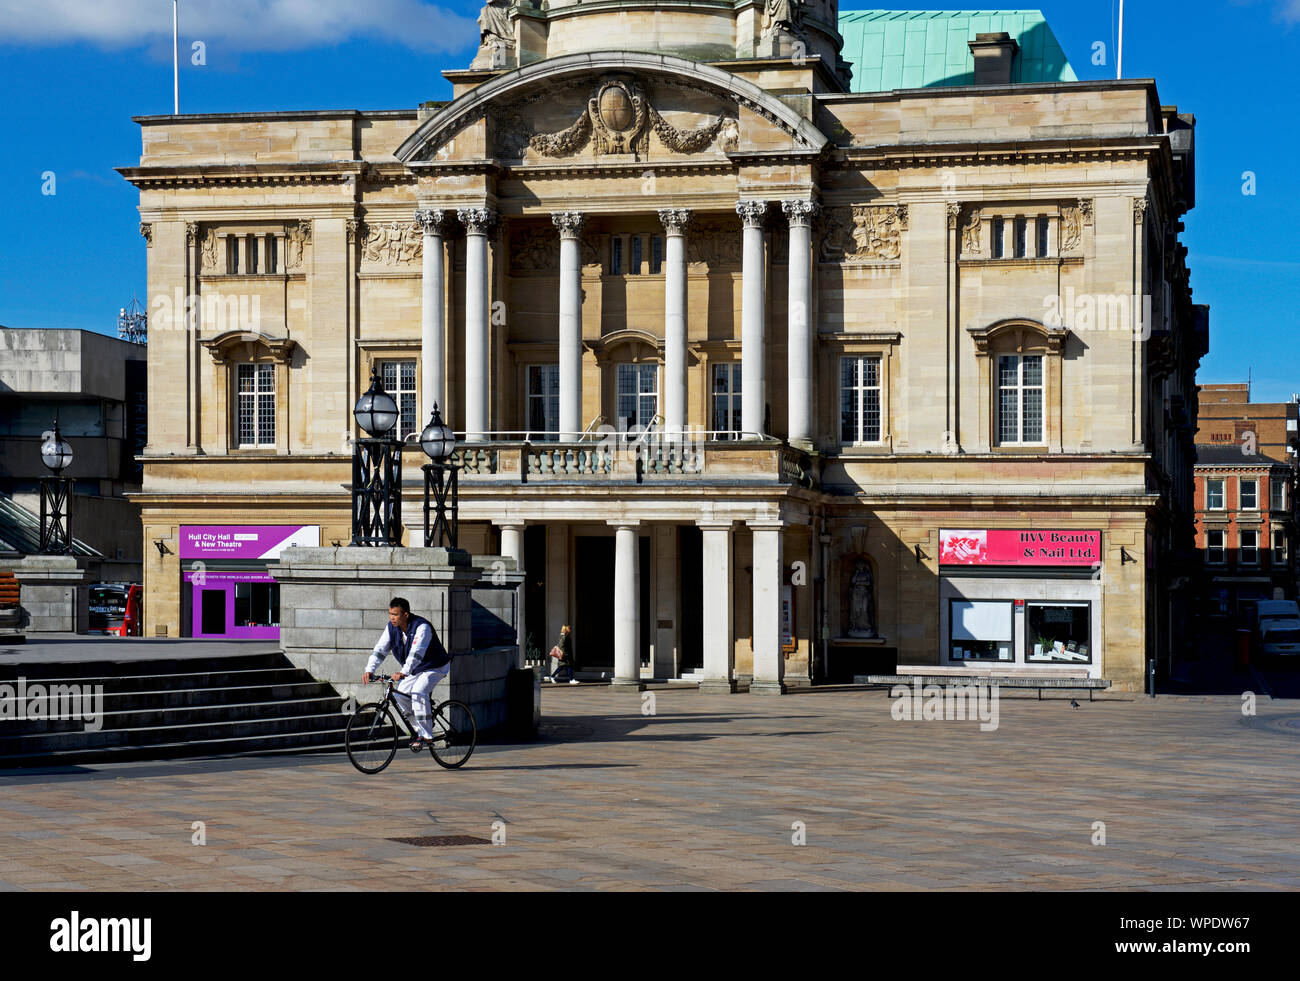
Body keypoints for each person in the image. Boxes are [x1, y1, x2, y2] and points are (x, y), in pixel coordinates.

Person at [362, 597, 451, 752]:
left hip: (435, 666)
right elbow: (380, 649)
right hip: (415, 670)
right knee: (400, 694)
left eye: (395, 614)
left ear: (406, 614)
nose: (392, 618)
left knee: (418, 690)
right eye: (390, 614)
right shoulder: (391, 628)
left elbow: (416, 654)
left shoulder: (422, 627)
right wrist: (370, 669)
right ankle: (419, 731)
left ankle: (427, 735)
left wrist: (403, 672)